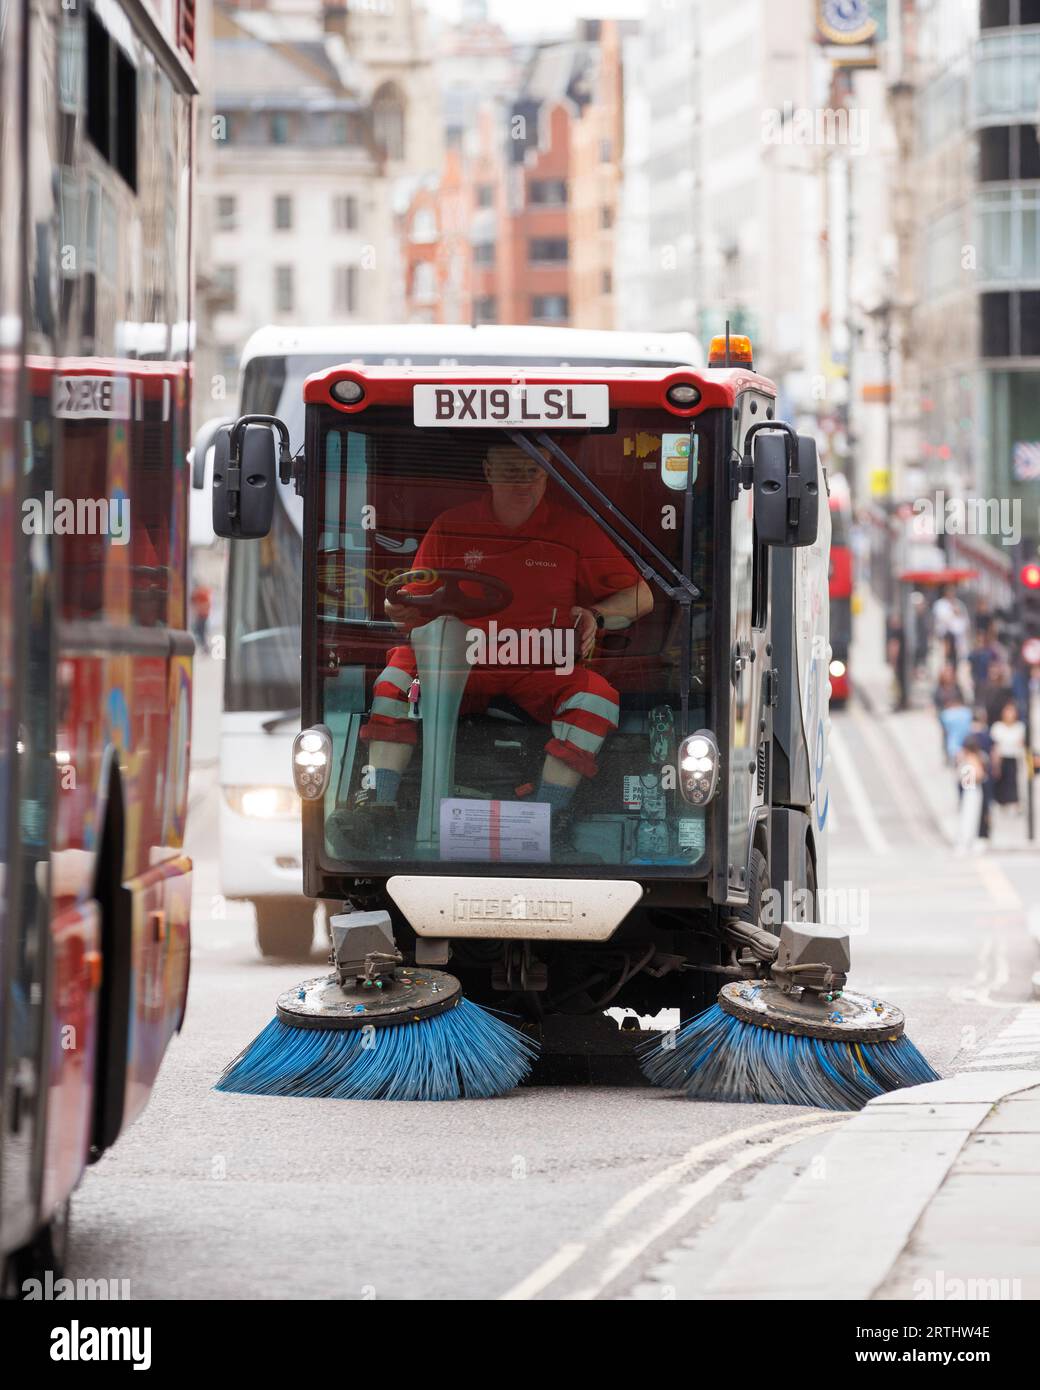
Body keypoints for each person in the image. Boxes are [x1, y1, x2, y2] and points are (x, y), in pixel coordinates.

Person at [337, 441, 653, 856]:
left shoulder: (575, 530)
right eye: (509, 470)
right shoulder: (452, 526)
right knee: (396, 677)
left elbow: (641, 596)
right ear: (487, 471)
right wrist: (399, 606)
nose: (522, 482)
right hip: (456, 660)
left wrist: (597, 615)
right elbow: (409, 602)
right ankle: (379, 807)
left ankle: (547, 818)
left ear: (548, 473)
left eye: (532, 472)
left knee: (596, 699)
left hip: (541, 661)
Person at [990, 700, 1026, 813]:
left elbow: (1021, 744)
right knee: (1002, 781)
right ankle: (1002, 802)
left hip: (1014, 757)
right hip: (1002, 757)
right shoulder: (998, 727)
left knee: (1013, 781)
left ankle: (1014, 803)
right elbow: (995, 746)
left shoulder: (1020, 727)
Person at [955, 736, 987, 855]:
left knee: (969, 815)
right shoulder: (974, 758)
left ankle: (966, 841)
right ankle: (966, 841)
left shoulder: (971, 758)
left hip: (971, 790)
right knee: (969, 816)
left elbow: (977, 775)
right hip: (971, 790)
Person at [932, 584, 970, 666]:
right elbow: (940, 620)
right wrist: (953, 613)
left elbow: (965, 622)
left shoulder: (959, 604)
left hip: (958, 640)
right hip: (945, 637)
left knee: (958, 662)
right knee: (944, 661)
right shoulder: (940, 604)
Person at [939, 691, 973, 766]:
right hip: (968, 744)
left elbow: (945, 730)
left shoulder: (946, 715)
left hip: (953, 745)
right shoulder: (967, 712)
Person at [190, 583, 212, 652]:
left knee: (200, 631)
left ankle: (205, 647)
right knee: (199, 631)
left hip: (202, 615)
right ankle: (204, 647)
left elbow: (193, 600)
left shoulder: (201, 593)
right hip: (202, 615)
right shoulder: (202, 592)